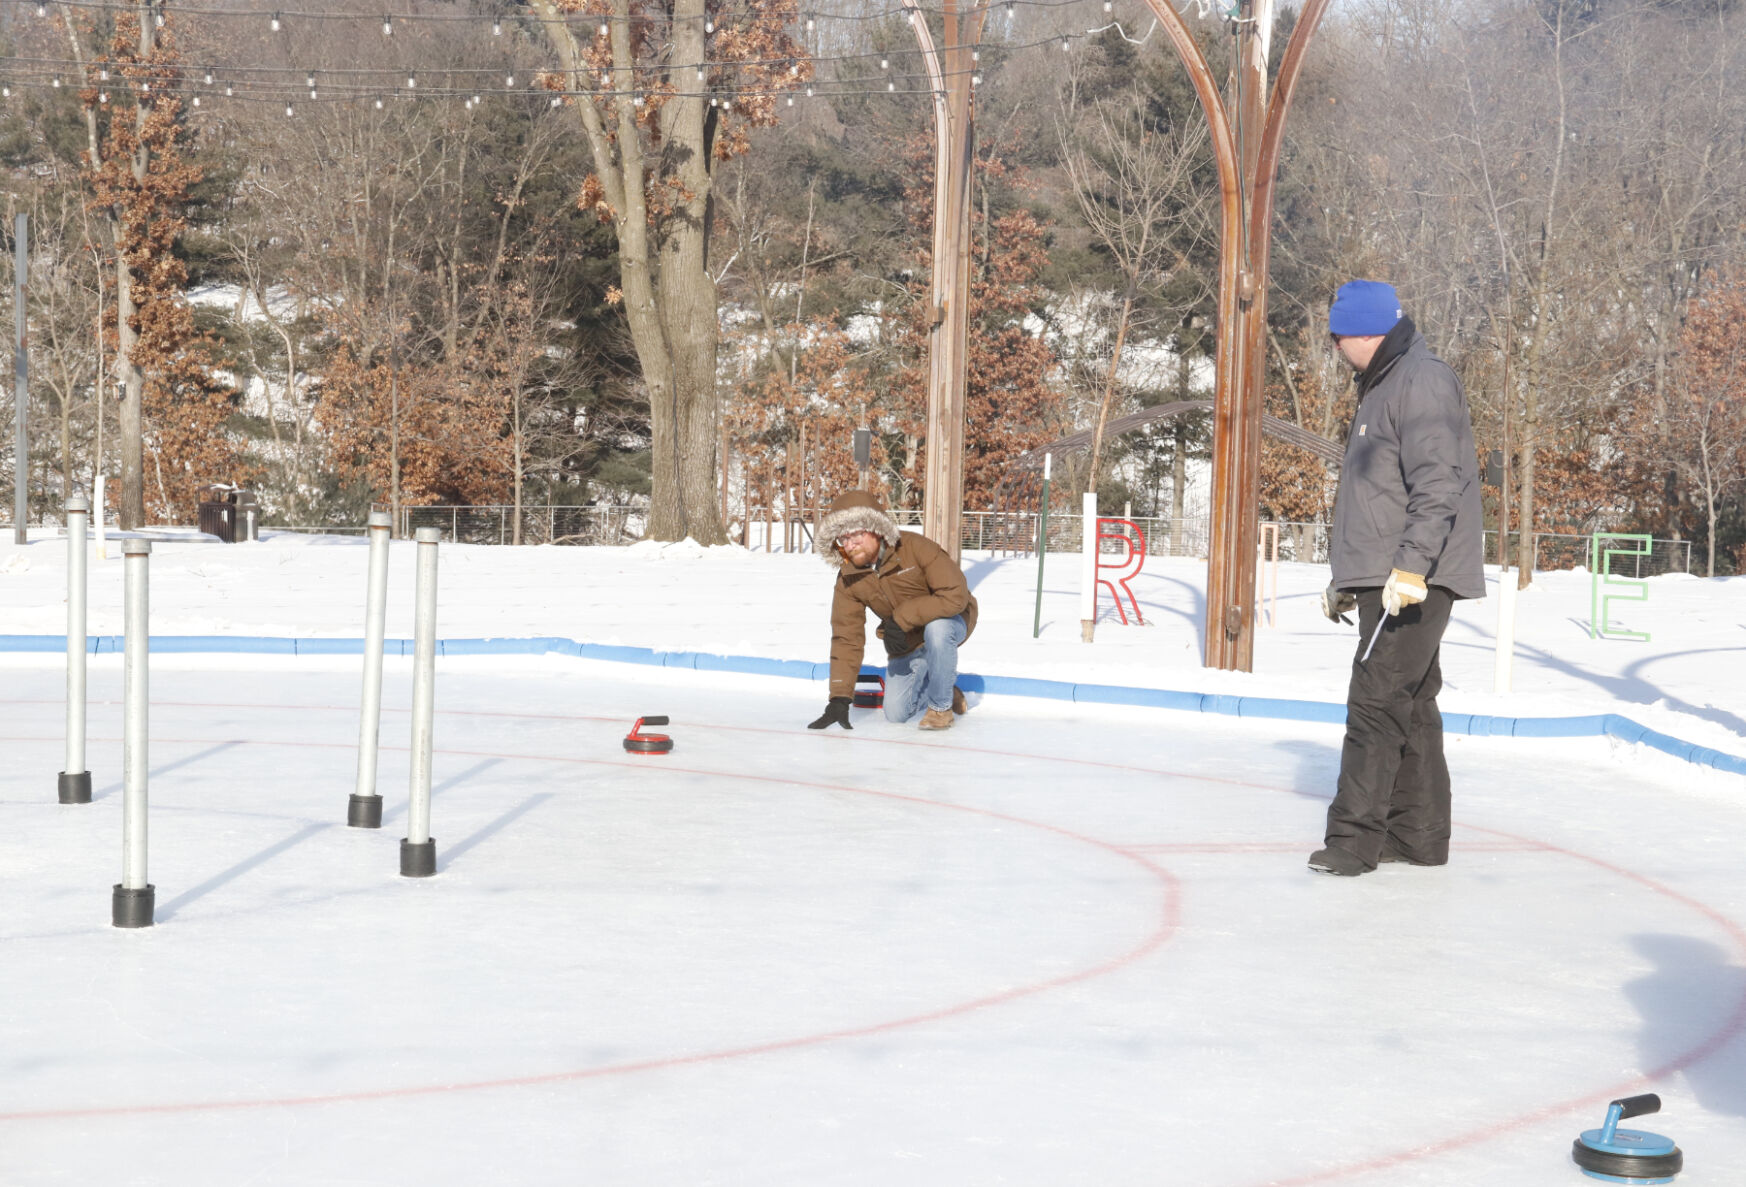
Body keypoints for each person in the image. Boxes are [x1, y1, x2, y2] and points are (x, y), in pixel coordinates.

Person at [1310, 280, 1485, 876]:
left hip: (1417, 575)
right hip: (1388, 575)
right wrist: (1349, 578)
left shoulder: (1422, 380)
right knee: (1410, 705)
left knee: (1375, 700)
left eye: (1336, 336)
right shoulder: (1385, 383)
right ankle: (1418, 836)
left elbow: (1438, 484)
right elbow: (1376, 494)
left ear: (1362, 332)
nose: (1334, 348)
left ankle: (1353, 842)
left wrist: (1412, 566)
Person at [806, 490, 978, 732]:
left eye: (856, 533)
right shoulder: (849, 577)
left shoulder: (914, 547)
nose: (850, 543)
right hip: (906, 637)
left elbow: (955, 595)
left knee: (937, 630)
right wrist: (839, 698)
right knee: (896, 713)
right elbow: (847, 637)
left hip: (951, 618)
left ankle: (940, 708)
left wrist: (901, 618)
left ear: (875, 528)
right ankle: (941, 683)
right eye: (842, 538)